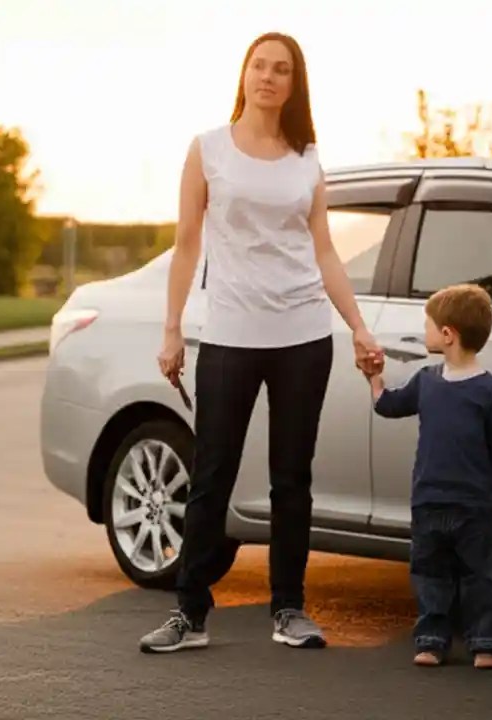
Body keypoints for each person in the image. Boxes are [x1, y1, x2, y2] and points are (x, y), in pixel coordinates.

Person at [140, 31, 384, 654]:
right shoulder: (209, 150)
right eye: (259, 66)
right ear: (243, 75)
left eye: (281, 69)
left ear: (294, 85)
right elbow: (187, 243)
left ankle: (288, 610)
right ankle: (189, 615)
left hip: (303, 333)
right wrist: (172, 328)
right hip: (229, 333)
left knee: (291, 479)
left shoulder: (307, 158)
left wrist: (357, 325)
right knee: (211, 473)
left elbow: (325, 251)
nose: (268, 77)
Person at [363, 283, 492, 668]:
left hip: (475, 506)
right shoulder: (425, 381)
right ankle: (431, 640)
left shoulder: (490, 391)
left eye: (429, 325)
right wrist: (373, 378)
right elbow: (389, 405)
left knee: (480, 576)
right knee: (430, 573)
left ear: (448, 334)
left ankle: (483, 642)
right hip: (428, 501)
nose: (425, 332)